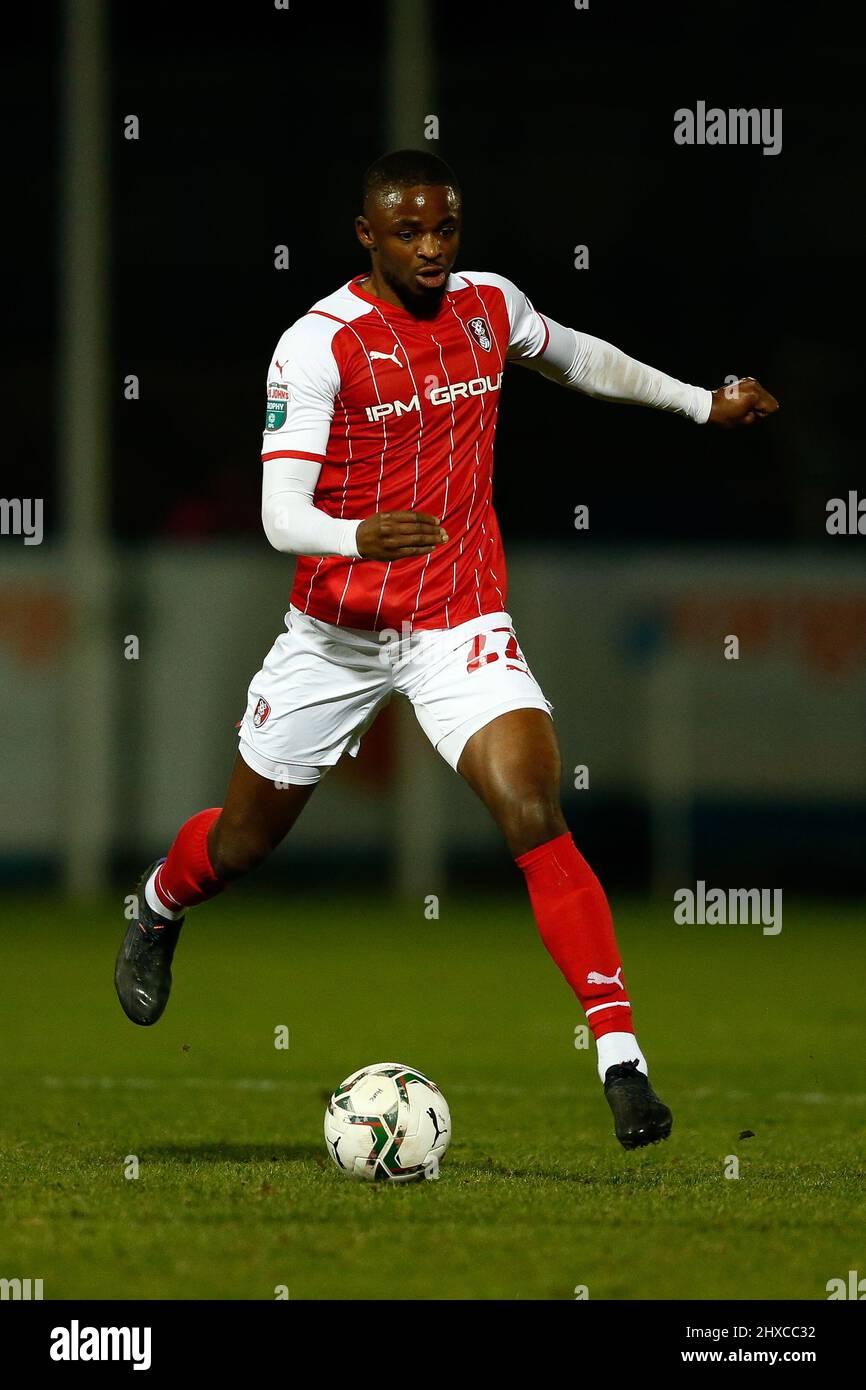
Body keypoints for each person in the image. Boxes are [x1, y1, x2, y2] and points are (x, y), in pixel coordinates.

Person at [115, 149, 778, 1149]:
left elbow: (578, 355)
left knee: (530, 804)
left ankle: (620, 1060)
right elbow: (277, 512)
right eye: (409, 232)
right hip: (334, 632)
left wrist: (697, 401)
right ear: (366, 236)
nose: (431, 249)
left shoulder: (487, 308)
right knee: (244, 840)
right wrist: (357, 536)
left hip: (456, 618)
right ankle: (161, 905)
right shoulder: (316, 345)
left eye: (445, 229)